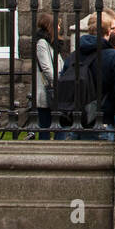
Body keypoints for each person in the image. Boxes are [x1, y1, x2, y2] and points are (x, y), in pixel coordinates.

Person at [57, 15, 115, 137]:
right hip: (103, 121)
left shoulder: (73, 56)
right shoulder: (113, 56)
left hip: (74, 121)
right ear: (108, 32)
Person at [35, 12, 63, 140]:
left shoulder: (51, 43)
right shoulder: (42, 43)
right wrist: (59, 82)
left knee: (58, 125)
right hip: (48, 90)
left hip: (54, 89)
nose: (59, 28)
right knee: (45, 127)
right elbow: (46, 68)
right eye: (57, 25)